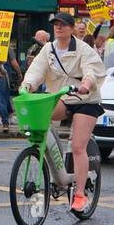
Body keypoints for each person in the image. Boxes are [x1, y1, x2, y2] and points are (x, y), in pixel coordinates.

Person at [20, 14, 106, 213]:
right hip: (61, 96)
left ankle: (80, 194)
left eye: (63, 25)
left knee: (78, 146)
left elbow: (91, 70)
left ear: (71, 28)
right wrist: (27, 85)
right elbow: (36, 70)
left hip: (85, 100)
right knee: (41, 115)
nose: (58, 28)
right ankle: (56, 163)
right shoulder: (48, 49)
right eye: (56, 25)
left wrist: (86, 85)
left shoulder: (83, 49)